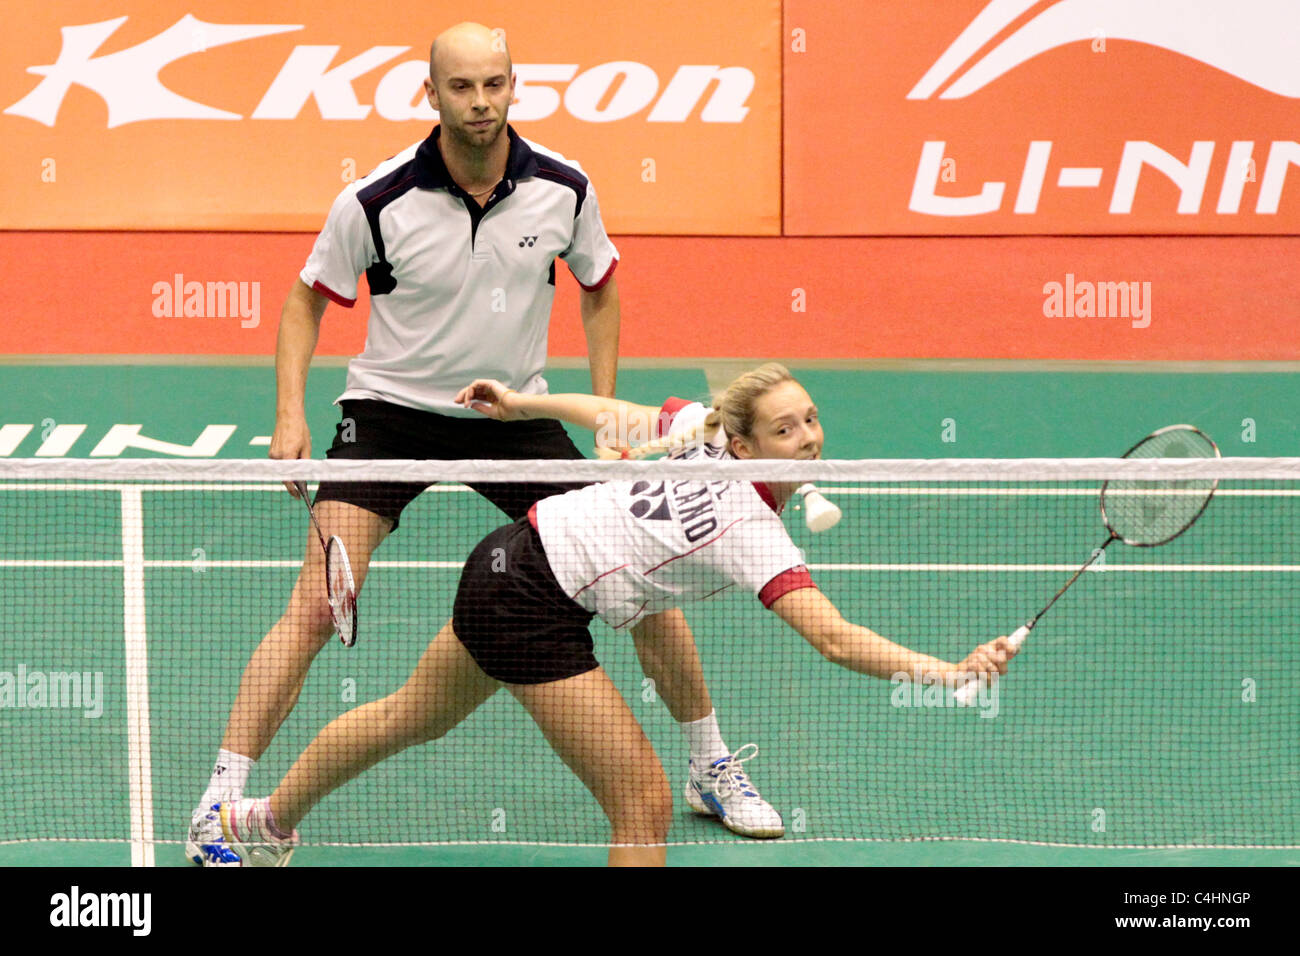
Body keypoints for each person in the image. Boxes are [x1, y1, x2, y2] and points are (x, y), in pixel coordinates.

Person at [186, 21, 779, 866]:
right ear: (430, 94)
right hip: (391, 415)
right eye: (461, 87)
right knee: (317, 604)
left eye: (493, 84)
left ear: (514, 86)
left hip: (512, 412)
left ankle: (710, 763)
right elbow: (304, 301)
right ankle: (220, 797)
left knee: (643, 573)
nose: (479, 102)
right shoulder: (376, 199)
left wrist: (604, 408)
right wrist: (290, 412)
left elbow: (600, 284)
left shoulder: (563, 188)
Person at [214, 364, 1019, 867]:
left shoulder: (696, 431)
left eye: (808, 420)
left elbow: (605, 411)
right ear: (741, 443)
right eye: (784, 429)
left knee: (409, 717)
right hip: (531, 601)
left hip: (507, 561)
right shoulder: (751, 530)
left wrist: (528, 401)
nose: (807, 438)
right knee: (641, 805)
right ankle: (261, 821)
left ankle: (259, 821)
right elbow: (831, 637)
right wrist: (946, 670)